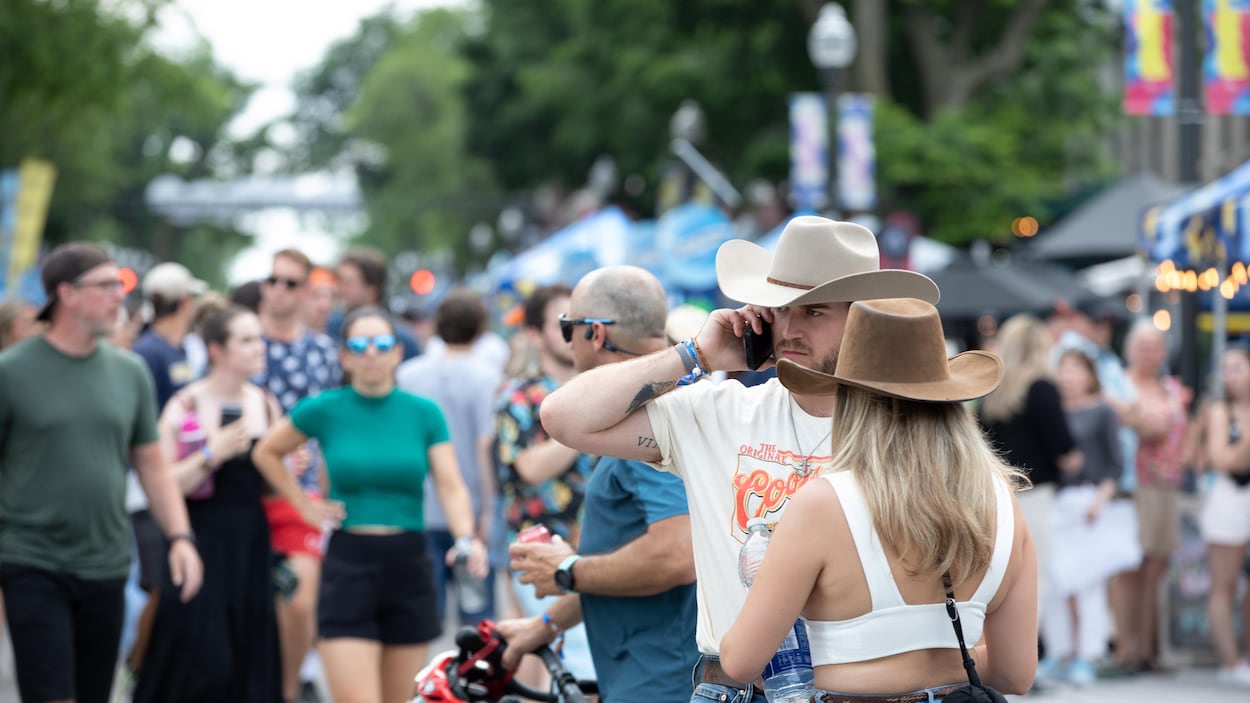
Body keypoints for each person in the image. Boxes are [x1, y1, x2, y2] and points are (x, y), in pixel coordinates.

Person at [539, 217, 941, 703]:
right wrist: (694, 355)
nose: (789, 328)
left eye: (813, 312)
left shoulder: (909, 431)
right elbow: (563, 417)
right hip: (732, 688)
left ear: (862, 319)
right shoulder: (724, 410)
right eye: (780, 310)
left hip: (864, 688)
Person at [718, 298, 1037, 699]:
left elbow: (741, 661)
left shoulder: (823, 504)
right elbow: (1014, 674)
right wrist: (934, 660)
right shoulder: (1002, 502)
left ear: (851, 400)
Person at [0, 242, 203, 703]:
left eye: (121, 286)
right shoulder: (11, 372)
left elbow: (152, 463)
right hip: (32, 560)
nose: (119, 297)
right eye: (108, 285)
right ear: (67, 294)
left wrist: (181, 537)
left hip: (107, 561)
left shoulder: (129, 372)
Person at [252, 306, 488, 703]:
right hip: (348, 565)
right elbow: (267, 452)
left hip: (409, 564)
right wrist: (303, 505)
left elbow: (450, 486)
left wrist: (466, 538)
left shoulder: (423, 413)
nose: (371, 354)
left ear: (397, 352)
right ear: (344, 356)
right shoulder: (326, 408)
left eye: (382, 344)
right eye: (359, 345)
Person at [499, 266, 698, 703]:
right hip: (654, 672)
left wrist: (568, 570)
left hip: (663, 679)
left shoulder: (652, 413)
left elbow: (676, 554)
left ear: (595, 333)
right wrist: (543, 625)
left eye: (568, 328)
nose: (568, 341)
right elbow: (616, 559)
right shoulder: (668, 400)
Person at [134, 305, 283, 702]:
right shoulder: (184, 405)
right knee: (201, 651)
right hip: (197, 538)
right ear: (216, 350)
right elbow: (162, 484)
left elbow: (271, 489)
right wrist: (210, 454)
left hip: (249, 541)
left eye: (259, 338)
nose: (259, 348)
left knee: (245, 648)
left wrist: (284, 469)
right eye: (247, 340)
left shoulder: (265, 403)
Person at [494, 283, 596, 682]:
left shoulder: (602, 384)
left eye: (580, 321)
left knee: (587, 674)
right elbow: (531, 468)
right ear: (534, 334)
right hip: (542, 549)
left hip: (599, 548)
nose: (574, 332)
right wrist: (586, 424)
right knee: (565, 668)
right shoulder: (518, 395)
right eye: (561, 323)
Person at [254, 247, 341, 703]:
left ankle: (289, 690)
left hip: (300, 496)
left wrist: (324, 487)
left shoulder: (322, 351)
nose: (277, 289)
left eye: (289, 282)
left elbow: (329, 428)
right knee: (253, 604)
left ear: (306, 292)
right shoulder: (243, 340)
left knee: (300, 600)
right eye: (271, 280)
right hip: (244, 491)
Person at [397, 289, 502, 626]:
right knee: (477, 618)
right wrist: (489, 509)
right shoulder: (488, 378)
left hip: (419, 508)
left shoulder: (408, 375)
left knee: (423, 618)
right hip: (468, 512)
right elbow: (485, 445)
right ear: (480, 327)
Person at [124, 261, 208, 672]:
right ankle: (135, 669)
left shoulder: (173, 350)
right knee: (158, 586)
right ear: (186, 300)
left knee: (170, 587)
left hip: (176, 486)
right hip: (147, 490)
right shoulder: (148, 352)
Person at [978, 313, 1078, 639]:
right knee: (1034, 578)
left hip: (995, 495)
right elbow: (1064, 447)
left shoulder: (993, 391)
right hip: (1035, 494)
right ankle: (1024, 660)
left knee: (998, 578)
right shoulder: (1042, 389)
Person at [1041, 349, 1131, 686]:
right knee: (1054, 583)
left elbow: (1115, 462)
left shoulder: (1103, 410)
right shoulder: (1052, 411)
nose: (1068, 376)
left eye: (1075, 369)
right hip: (1056, 500)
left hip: (1090, 501)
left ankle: (1087, 654)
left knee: (1088, 584)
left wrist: (1101, 498)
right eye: (1063, 369)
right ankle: (1059, 651)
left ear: (1089, 374)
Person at [1197, 346, 1250, 688]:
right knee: (1224, 584)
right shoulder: (1219, 410)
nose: (1231, 376)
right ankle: (1230, 660)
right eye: (1226, 369)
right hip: (1229, 501)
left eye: (1238, 368)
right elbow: (1221, 459)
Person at [330, 247, 420, 360]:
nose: (340, 290)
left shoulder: (402, 338)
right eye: (338, 282)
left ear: (372, 290)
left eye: (347, 283)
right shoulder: (331, 329)